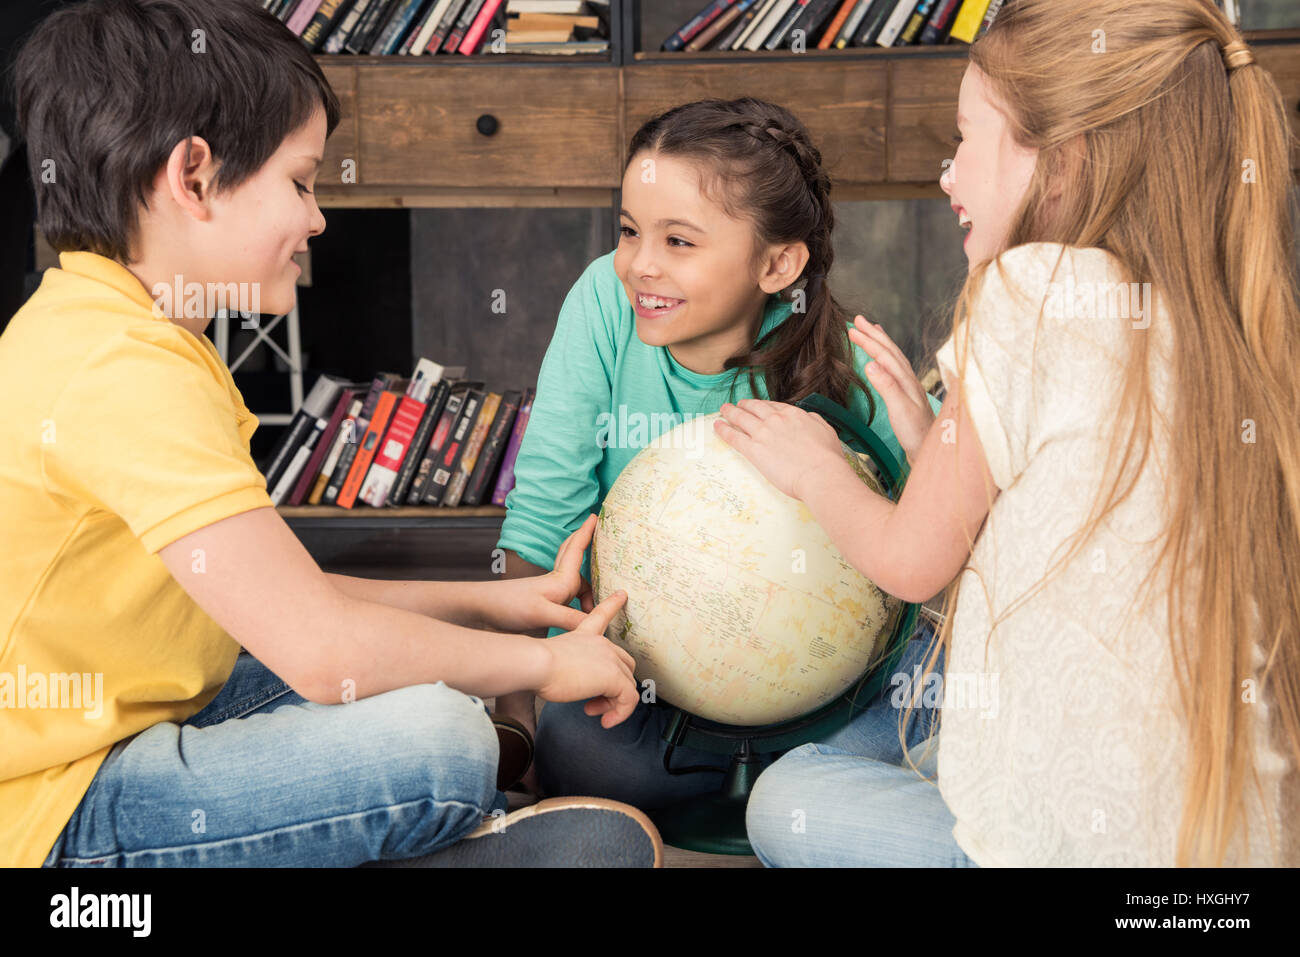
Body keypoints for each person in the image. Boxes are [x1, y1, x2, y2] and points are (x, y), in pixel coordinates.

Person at [0, 0, 659, 868]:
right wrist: (542, 668)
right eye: (301, 182)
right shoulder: (123, 368)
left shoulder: (109, 323)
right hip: (55, 811)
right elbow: (321, 649)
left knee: (432, 684)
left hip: (135, 719)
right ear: (192, 177)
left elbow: (291, 600)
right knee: (441, 737)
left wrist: (495, 606)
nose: (316, 219)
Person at [729, 0, 1299, 866]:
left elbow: (911, 563)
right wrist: (936, 451)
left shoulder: (1033, 289)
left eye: (964, 140)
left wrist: (817, 470)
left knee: (788, 797)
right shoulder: (1226, 329)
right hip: (1223, 855)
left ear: (1062, 160)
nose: (948, 175)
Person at [495, 95, 942, 808]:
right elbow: (543, 516)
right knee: (576, 751)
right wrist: (514, 713)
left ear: (778, 264)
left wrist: (926, 442)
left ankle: (789, 790)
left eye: (679, 241)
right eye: (629, 231)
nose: (640, 265)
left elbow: (949, 520)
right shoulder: (604, 302)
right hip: (648, 689)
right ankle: (781, 792)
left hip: (819, 691)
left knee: (914, 703)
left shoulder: (849, 360)